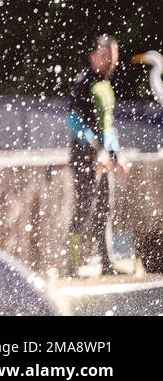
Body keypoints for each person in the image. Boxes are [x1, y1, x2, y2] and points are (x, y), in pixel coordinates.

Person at [65, 34, 125, 276]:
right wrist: (96, 150)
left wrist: (116, 154)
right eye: (104, 54)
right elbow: (74, 122)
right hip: (84, 157)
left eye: (112, 55)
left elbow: (108, 126)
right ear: (92, 56)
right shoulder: (83, 83)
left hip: (105, 160)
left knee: (104, 209)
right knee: (84, 209)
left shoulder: (106, 86)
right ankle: (72, 264)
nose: (109, 59)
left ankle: (107, 262)